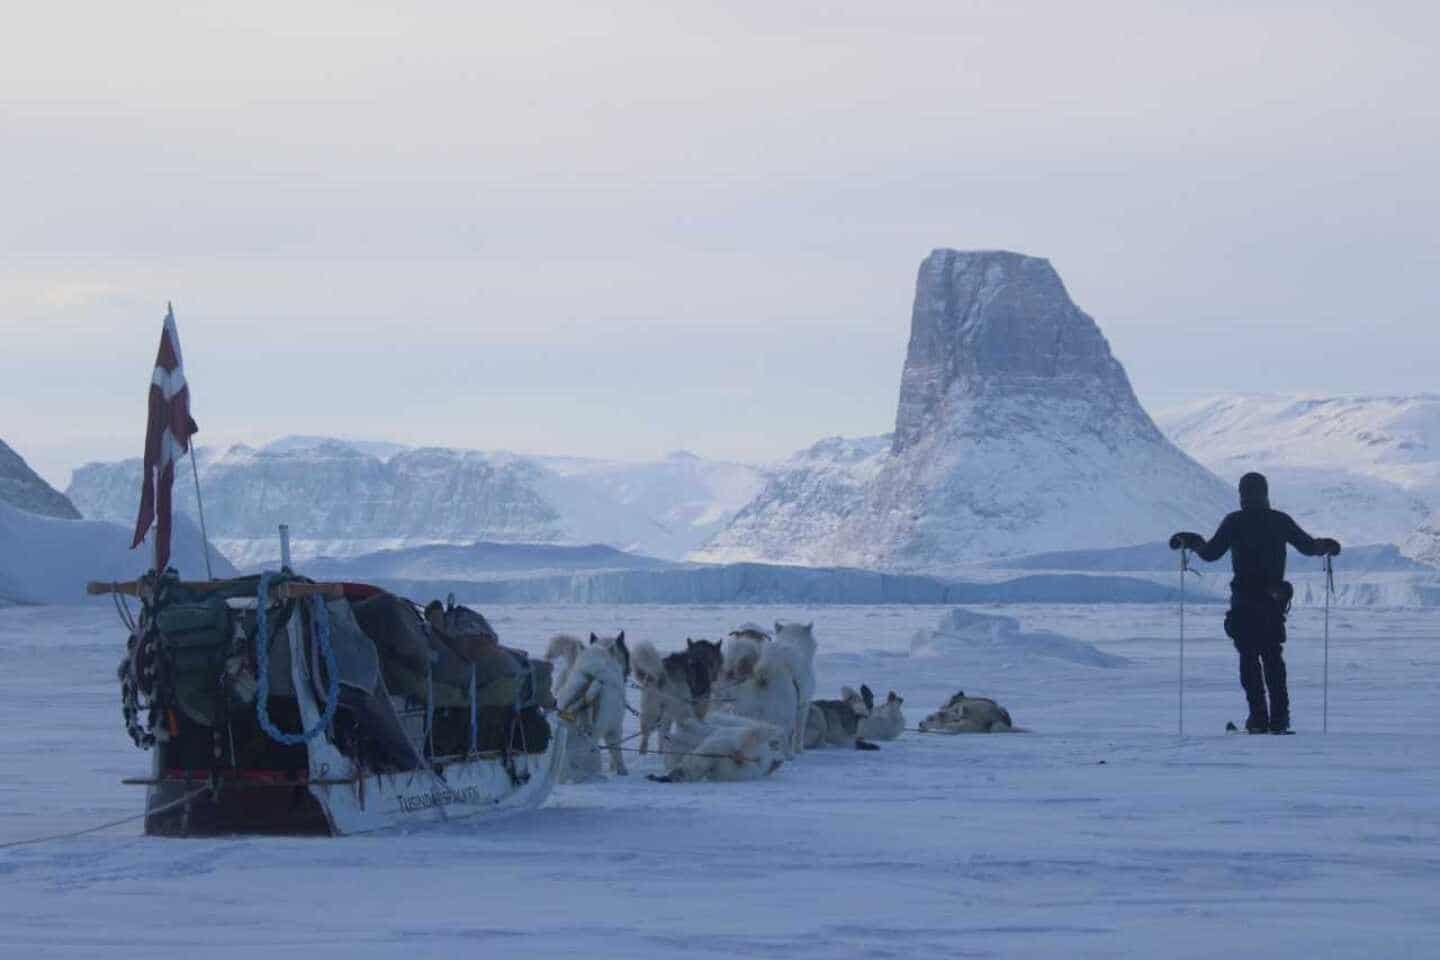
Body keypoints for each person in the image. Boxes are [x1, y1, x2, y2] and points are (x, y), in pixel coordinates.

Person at [1170, 472, 1341, 734]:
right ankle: (1280, 720)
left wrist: (1192, 541)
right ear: (1265, 492)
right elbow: (1308, 546)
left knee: (1249, 659)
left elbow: (1211, 554)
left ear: (1242, 494)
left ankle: (1258, 719)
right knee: (1273, 658)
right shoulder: (1279, 520)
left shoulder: (1234, 521)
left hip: (1244, 602)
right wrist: (1327, 546)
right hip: (1273, 600)